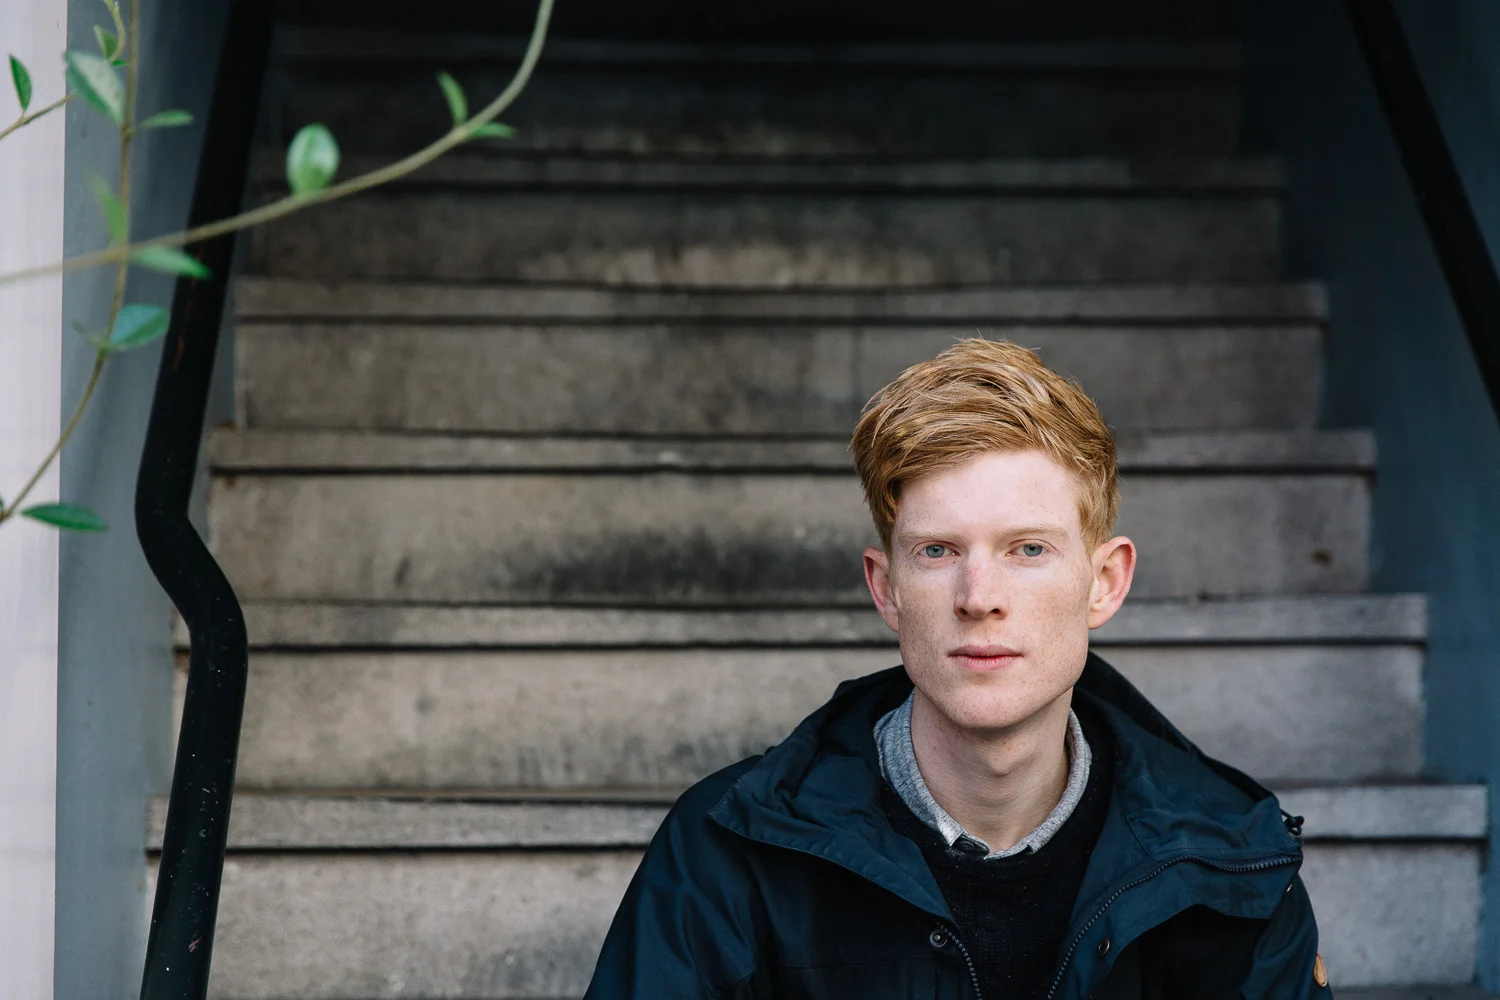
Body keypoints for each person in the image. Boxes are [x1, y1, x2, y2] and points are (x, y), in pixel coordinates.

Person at [583, 338, 1331, 999]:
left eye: (1028, 550)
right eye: (938, 552)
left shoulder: (1233, 867)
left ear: (1104, 582)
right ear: (886, 588)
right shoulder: (728, 855)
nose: (980, 599)